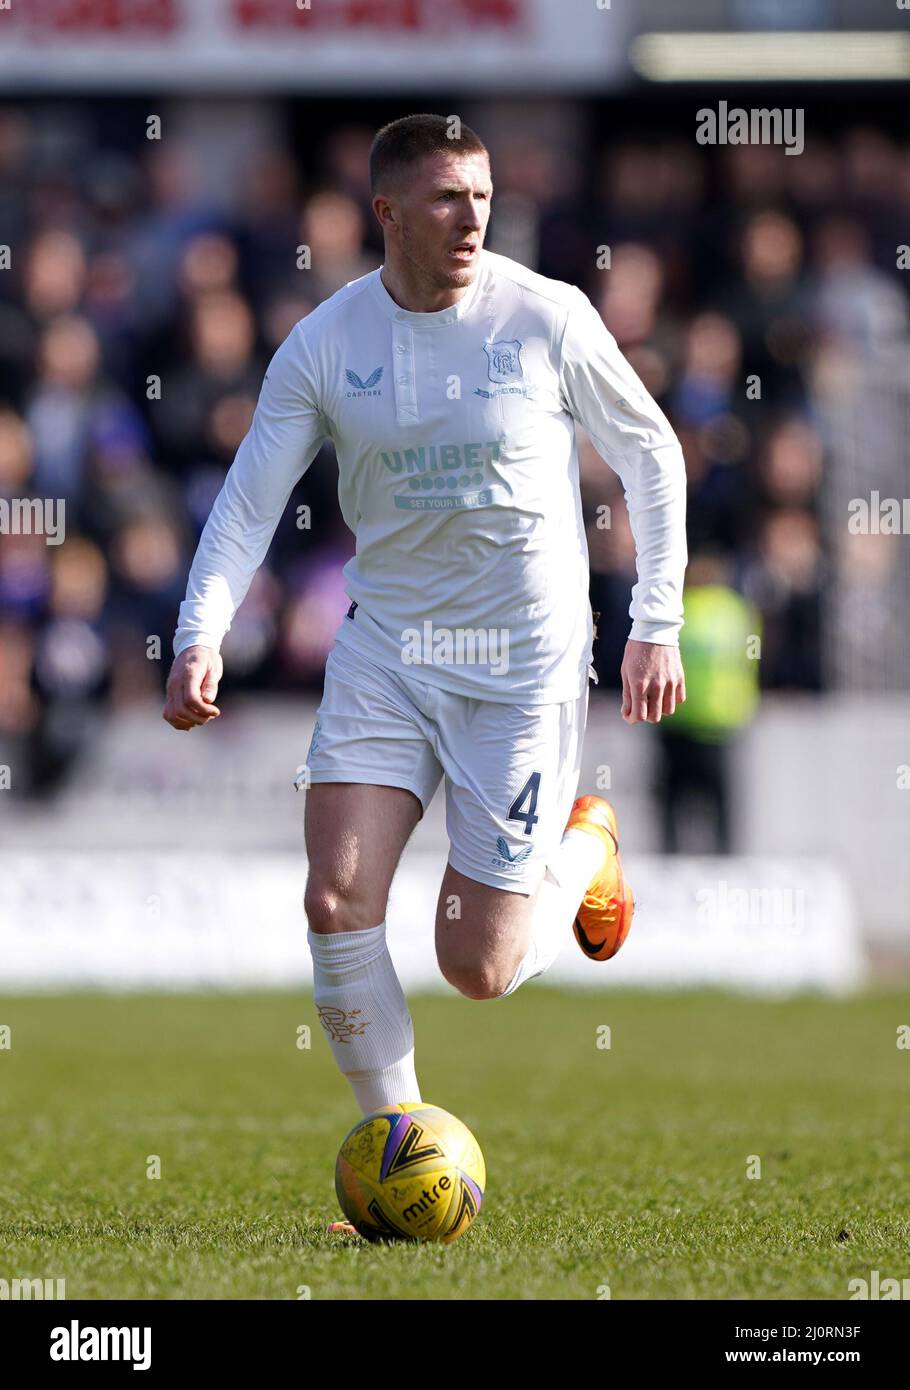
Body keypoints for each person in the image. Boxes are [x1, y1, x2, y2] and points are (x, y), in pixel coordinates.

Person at [162, 114, 687, 1229]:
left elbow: (651, 452)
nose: (472, 218)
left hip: (520, 665)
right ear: (387, 211)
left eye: (483, 197)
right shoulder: (322, 341)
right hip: (387, 653)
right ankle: (402, 1150)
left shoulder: (545, 316)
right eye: (446, 198)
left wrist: (658, 619)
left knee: (478, 967)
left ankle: (587, 844)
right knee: (334, 895)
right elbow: (250, 498)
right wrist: (199, 631)